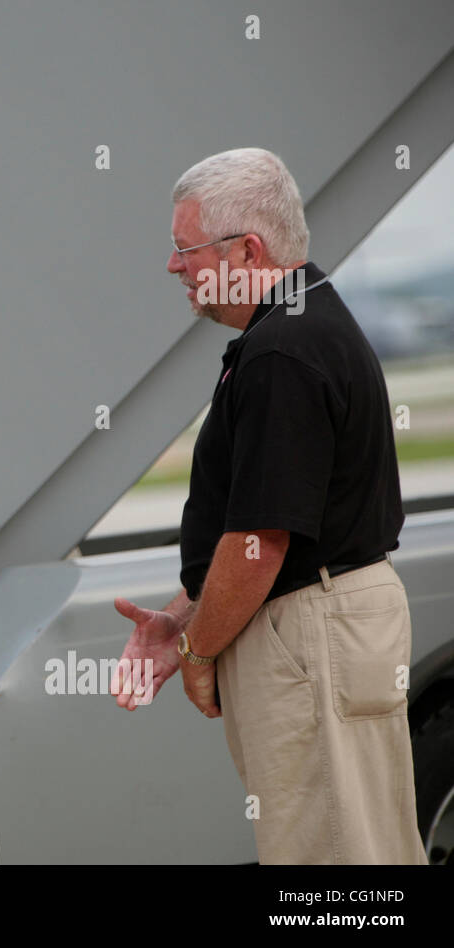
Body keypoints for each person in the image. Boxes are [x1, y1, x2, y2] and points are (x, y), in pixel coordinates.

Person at [112, 148, 427, 864]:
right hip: (325, 620)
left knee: (329, 863)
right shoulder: (305, 322)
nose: (173, 267)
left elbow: (263, 541)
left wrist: (198, 650)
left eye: (183, 248)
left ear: (247, 250)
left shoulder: (281, 349)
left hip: (310, 631)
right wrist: (185, 615)